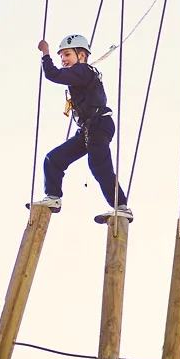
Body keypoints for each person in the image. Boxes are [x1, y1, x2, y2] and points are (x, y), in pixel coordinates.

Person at [29, 33, 132, 223]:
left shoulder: (83, 71)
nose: (63, 59)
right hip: (88, 129)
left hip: (98, 125)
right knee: (53, 159)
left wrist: (46, 53)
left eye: (67, 54)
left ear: (81, 55)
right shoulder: (80, 74)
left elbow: (52, 74)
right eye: (61, 56)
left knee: (99, 166)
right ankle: (53, 197)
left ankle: (122, 207)